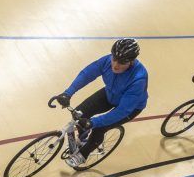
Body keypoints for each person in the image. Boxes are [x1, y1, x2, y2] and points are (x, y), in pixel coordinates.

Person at [50, 39, 149, 167]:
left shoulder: (138, 78)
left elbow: (122, 111)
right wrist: (68, 93)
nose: (115, 65)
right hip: (110, 94)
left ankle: (82, 155)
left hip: (130, 107)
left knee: (99, 128)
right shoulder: (107, 60)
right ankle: (84, 137)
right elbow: (87, 74)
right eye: (114, 58)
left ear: (131, 61)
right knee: (80, 113)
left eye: (121, 62)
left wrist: (93, 122)